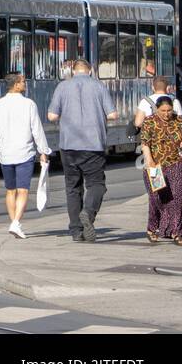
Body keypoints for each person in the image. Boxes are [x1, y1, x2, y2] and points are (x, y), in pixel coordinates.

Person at [47, 58, 118, 242]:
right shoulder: (99, 86)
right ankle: (88, 213)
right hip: (93, 145)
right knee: (96, 185)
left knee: (72, 188)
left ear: (73, 71)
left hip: (68, 146)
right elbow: (112, 114)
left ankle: (76, 232)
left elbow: (52, 115)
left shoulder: (62, 87)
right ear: (91, 70)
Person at [0, 73, 52, 239]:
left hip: (5, 154)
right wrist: (44, 150)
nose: (25, 84)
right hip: (24, 153)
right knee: (23, 191)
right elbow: (37, 129)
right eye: (22, 82)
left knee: (10, 191)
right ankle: (15, 223)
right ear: (15, 85)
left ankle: (14, 222)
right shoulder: (29, 104)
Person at [140, 94, 182, 245]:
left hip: (175, 164)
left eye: (169, 110)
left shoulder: (178, 121)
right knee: (157, 198)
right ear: (157, 109)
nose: (167, 113)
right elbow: (145, 143)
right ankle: (152, 228)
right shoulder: (149, 122)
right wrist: (149, 161)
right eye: (163, 110)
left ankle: (177, 232)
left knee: (177, 199)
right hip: (155, 166)